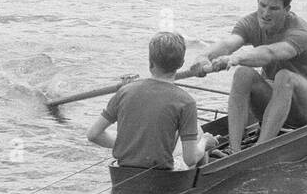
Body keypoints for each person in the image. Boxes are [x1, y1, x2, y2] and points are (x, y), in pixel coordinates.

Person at [187, 0, 307, 153]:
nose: (265, 13)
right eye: (262, 5)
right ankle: (234, 152)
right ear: (257, 0)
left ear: (287, 9)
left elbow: (270, 53)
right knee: (242, 73)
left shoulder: (300, 31)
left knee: (284, 77)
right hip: (275, 94)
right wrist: (203, 56)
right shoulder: (251, 21)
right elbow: (229, 43)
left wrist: (236, 59)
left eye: (273, 8)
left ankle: (260, 150)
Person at [87, 32, 216, 172]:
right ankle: (195, 187)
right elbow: (189, 159)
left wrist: (128, 145)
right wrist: (205, 143)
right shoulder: (187, 102)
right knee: (199, 131)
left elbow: (93, 135)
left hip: (121, 171)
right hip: (164, 175)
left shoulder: (125, 91)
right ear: (181, 64)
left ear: (150, 62)